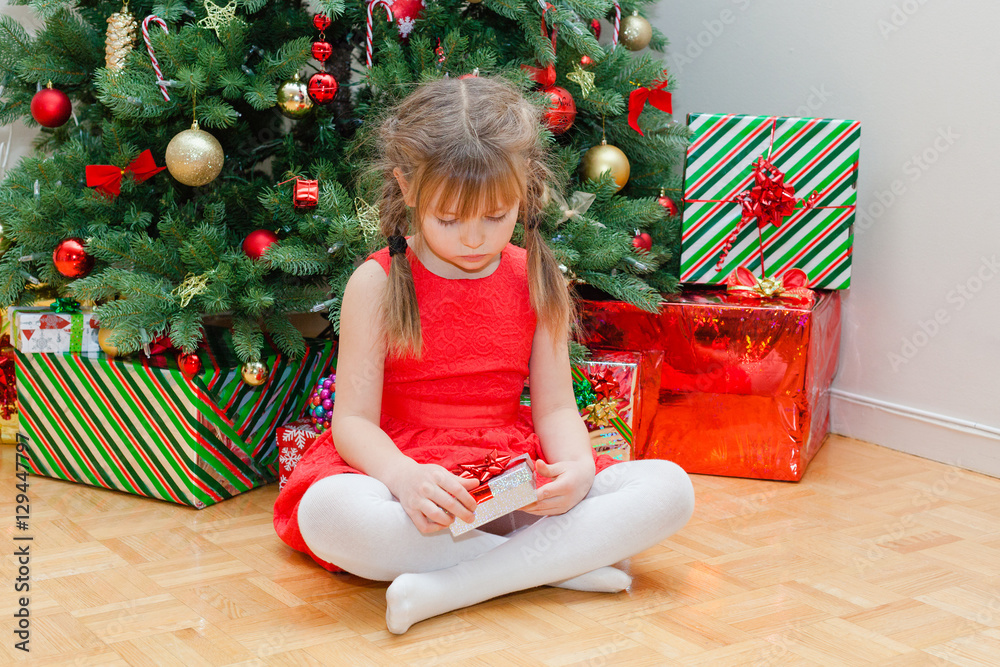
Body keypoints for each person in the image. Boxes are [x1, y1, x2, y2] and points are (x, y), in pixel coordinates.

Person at [273, 75, 694, 634]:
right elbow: (351, 423)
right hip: (414, 480)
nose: (474, 238)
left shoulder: (536, 275)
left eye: (496, 216)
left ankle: (452, 587)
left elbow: (554, 410)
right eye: (450, 219)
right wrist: (403, 477)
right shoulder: (375, 283)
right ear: (407, 185)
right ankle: (556, 562)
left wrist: (574, 469)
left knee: (671, 490)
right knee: (329, 515)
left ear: (524, 186)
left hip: (509, 480)